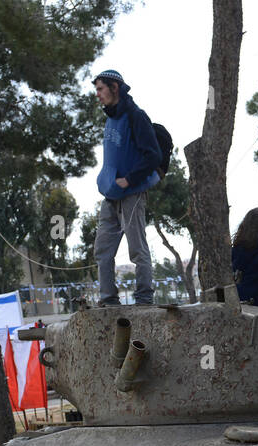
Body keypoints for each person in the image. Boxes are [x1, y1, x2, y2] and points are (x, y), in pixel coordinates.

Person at [92, 69, 163, 308]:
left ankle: (144, 297)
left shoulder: (136, 116)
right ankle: (108, 299)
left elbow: (153, 155)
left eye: (100, 89)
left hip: (131, 194)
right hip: (110, 196)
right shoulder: (110, 118)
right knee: (102, 249)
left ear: (115, 88)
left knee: (137, 249)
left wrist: (130, 179)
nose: (98, 95)